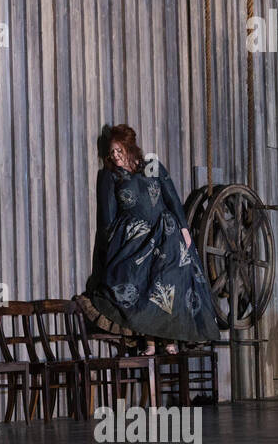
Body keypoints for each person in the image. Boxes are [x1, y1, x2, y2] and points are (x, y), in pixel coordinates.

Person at [75, 124, 221, 352]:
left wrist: (184, 230)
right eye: (111, 153)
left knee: (170, 281)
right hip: (135, 238)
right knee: (140, 285)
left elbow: (171, 198)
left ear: (129, 147)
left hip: (166, 234)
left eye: (119, 150)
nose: (115, 156)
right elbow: (107, 218)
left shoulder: (151, 165)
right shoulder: (110, 175)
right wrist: (107, 251)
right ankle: (150, 341)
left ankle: (170, 338)